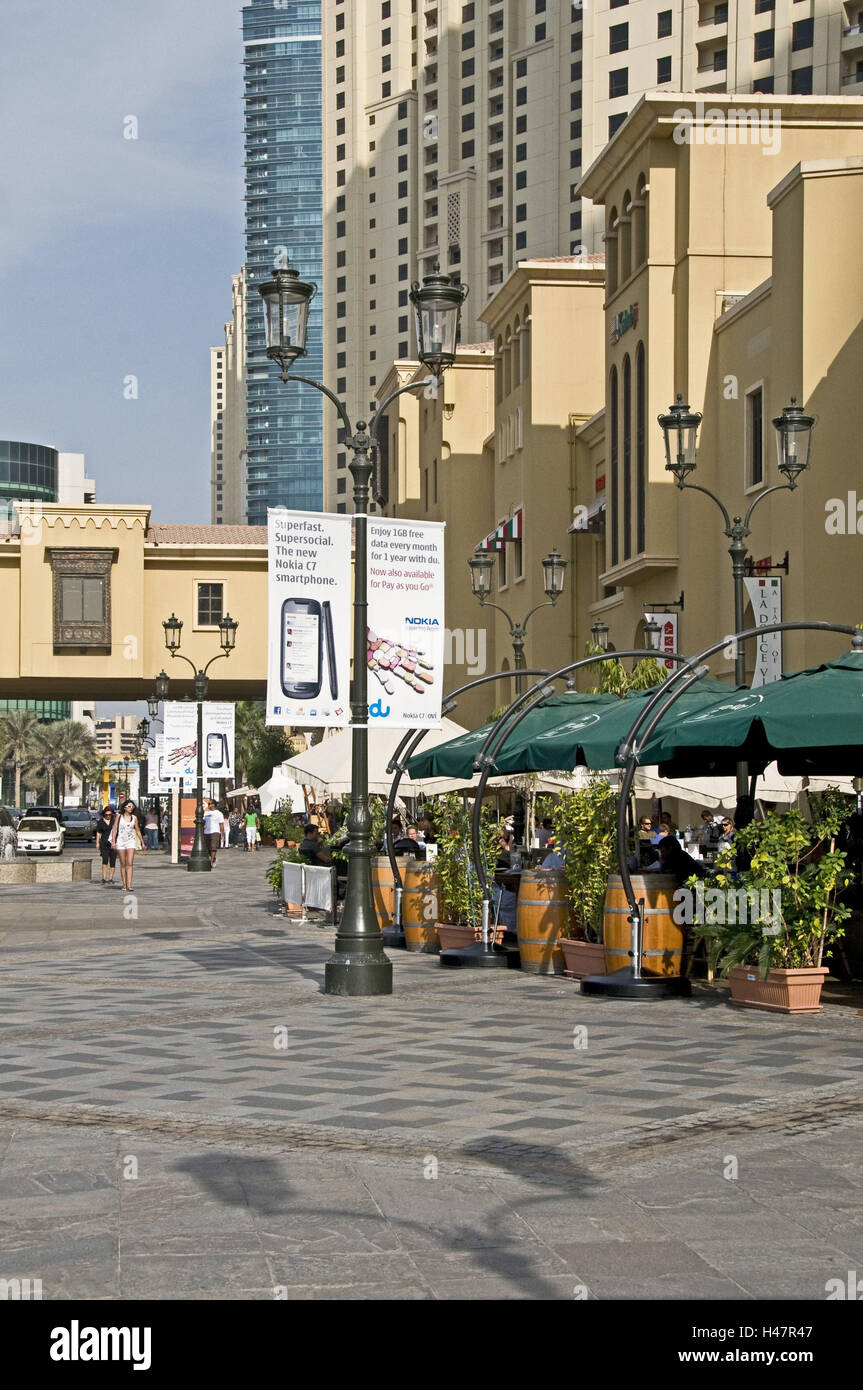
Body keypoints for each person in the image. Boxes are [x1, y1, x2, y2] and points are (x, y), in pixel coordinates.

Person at [109, 799, 146, 892]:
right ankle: (124, 884)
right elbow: (114, 829)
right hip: (121, 841)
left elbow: (137, 829)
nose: (131, 808)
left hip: (131, 841)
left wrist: (142, 842)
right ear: (125, 807)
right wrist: (113, 841)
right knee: (123, 864)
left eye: (132, 806)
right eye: (129, 806)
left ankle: (129, 885)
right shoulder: (119, 816)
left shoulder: (134, 818)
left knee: (130, 863)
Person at [96, 805, 118, 885]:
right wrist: (97, 843)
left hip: (113, 843)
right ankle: (104, 878)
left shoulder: (114, 821)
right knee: (104, 860)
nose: (108, 816)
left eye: (110, 814)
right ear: (104, 814)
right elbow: (98, 833)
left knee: (112, 861)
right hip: (104, 843)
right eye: (106, 815)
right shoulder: (101, 822)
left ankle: (111, 878)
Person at [203, 800, 224, 866]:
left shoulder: (219, 813)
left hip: (215, 832)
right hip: (206, 832)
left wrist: (222, 834)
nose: (208, 805)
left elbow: (221, 824)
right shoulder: (206, 813)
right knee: (208, 848)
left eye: (210, 804)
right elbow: (203, 822)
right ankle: (213, 858)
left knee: (213, 847)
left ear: (214, 805)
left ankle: (211, 861)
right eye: (208, 804)